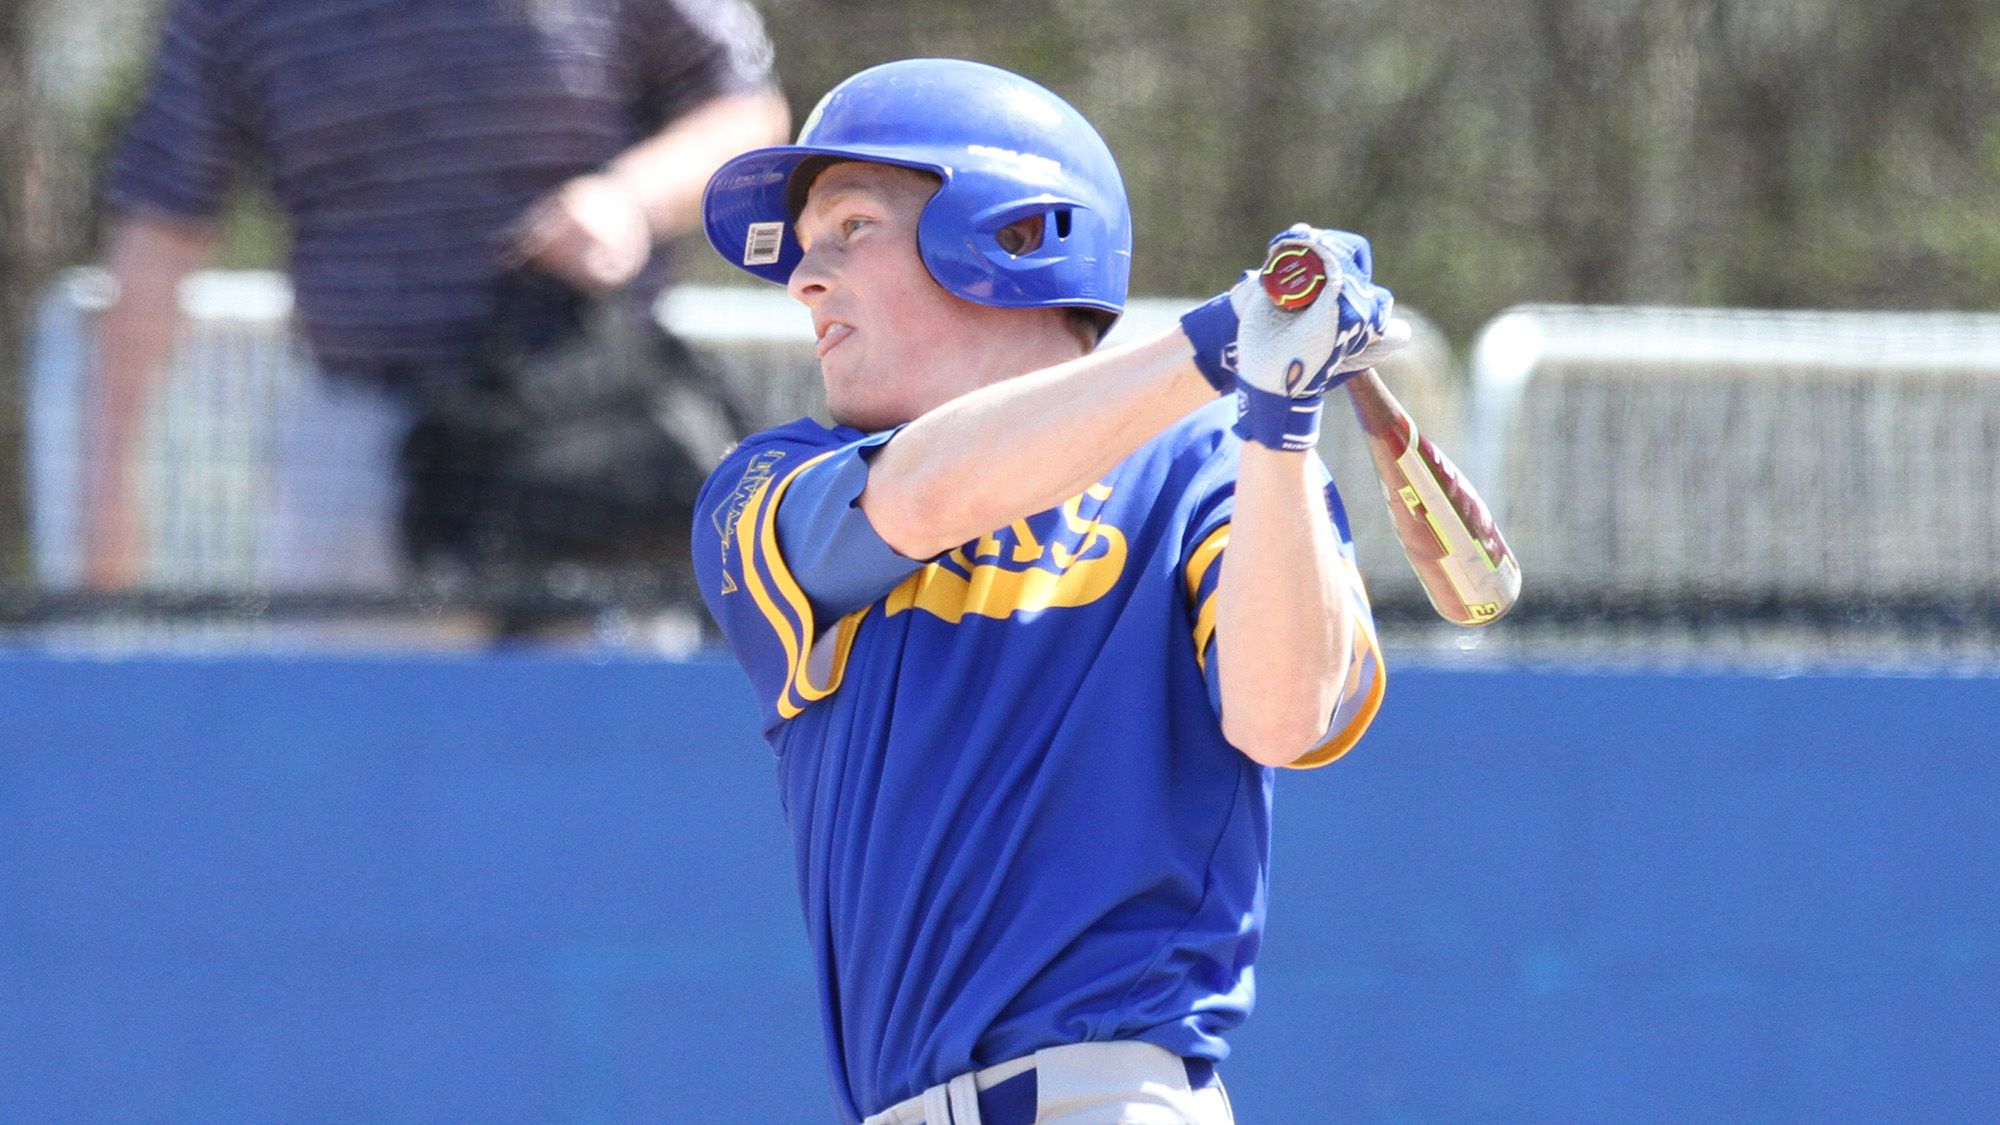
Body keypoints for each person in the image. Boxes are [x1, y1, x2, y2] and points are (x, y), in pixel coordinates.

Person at [693, 59, 1401, 1124]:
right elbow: (925, 494)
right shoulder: (769, 483)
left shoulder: (1211, 459)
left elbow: (1283, 716)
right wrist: (1219, 344)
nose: (805, 279)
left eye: (850, 227)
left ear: (1017, 234)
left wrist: (1281, 416)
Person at [84, 0, 789, 608]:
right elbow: (161, 220)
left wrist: (631, 195)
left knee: (608, 720)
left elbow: (746, 108)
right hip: (363, 448)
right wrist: (108, 494)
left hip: (595, 429)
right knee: (348, 720)